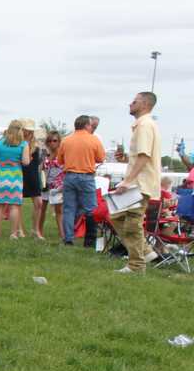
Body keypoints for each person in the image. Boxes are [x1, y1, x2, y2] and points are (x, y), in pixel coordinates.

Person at [110, 92, 162, 274]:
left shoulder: (145, 125)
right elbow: (140, 156)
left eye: (135, 101)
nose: (130, 104)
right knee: (116, 217)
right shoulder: (144, 125)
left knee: (133, 222)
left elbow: (144, 156)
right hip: (137, 183)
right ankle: (145, 251)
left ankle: (136, 264)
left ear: (145, 104)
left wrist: (127, 181)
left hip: (140, 184)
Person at [57, 115, 106, 246]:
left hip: (70, 176)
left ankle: (68, 239)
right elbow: (101, 158)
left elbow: (60, 160)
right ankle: (89, 241)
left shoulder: (66, 140)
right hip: (86, 176)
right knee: (91, 209)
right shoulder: (93, 139)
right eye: (91, 125)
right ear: (86, 125)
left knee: (69, 209)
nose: (92, 127)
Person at [0, 119, 30, 239]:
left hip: (0, 176)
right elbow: (26, 162)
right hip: (15, 177)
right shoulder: (23, 144)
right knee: (14, 206)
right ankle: (13, 233)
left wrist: (1, 161)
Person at [34, 131, 64, 240]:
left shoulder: (62, 154)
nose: (52, 143)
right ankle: (39, 232)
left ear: (59, 141)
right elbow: (40, 168)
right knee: (42, 209)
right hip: (45, 184)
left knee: (59, 211)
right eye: (50, 141)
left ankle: (62, 235)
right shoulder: (44, 154)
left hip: (58, 185)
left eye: (55, 141)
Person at [18, 120, 43, 239]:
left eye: (30, 130)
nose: (29, 132)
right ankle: (19, 229)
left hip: (33, 176)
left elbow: (38, 163)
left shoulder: (35, 145)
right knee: (18, 203)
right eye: (27, 129)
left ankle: (35, 230)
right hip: (20, 174)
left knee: (39, 203)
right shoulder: (18, 144)